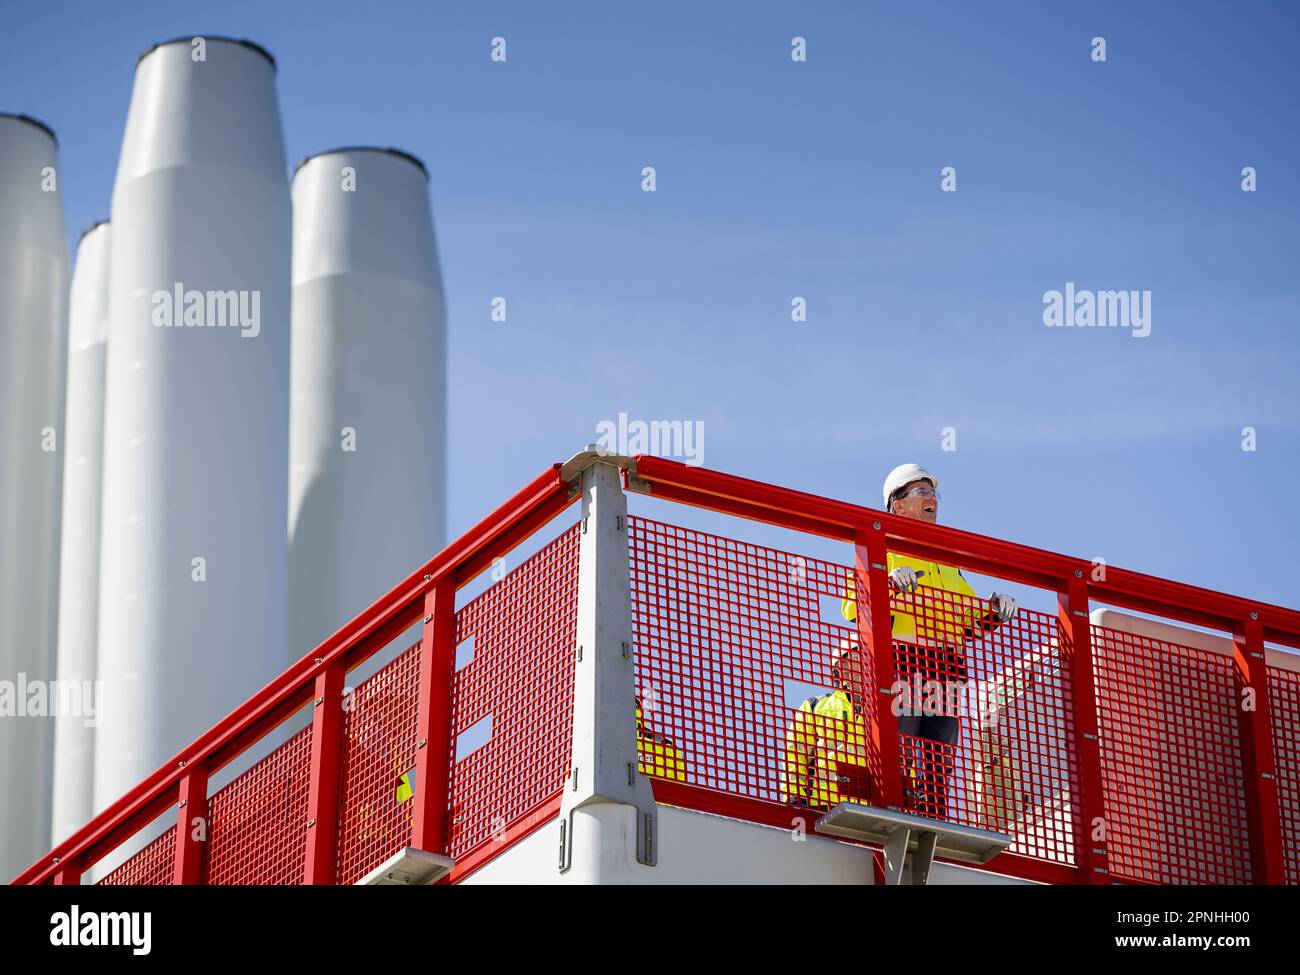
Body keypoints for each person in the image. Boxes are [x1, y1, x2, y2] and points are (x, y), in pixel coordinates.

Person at [837, 463, 1020, 819]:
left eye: (932, 492)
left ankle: (932, 816)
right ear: (898, 506)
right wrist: (884, 579)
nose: (932, 497)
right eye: (921, 492)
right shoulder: (881, 549)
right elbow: (852, 607)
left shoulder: (946, 562)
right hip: (902, 662)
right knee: (900, 748)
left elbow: (969, 625)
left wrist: (994, 614)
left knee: (939, 755)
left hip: (946, 670)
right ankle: (894, 808)